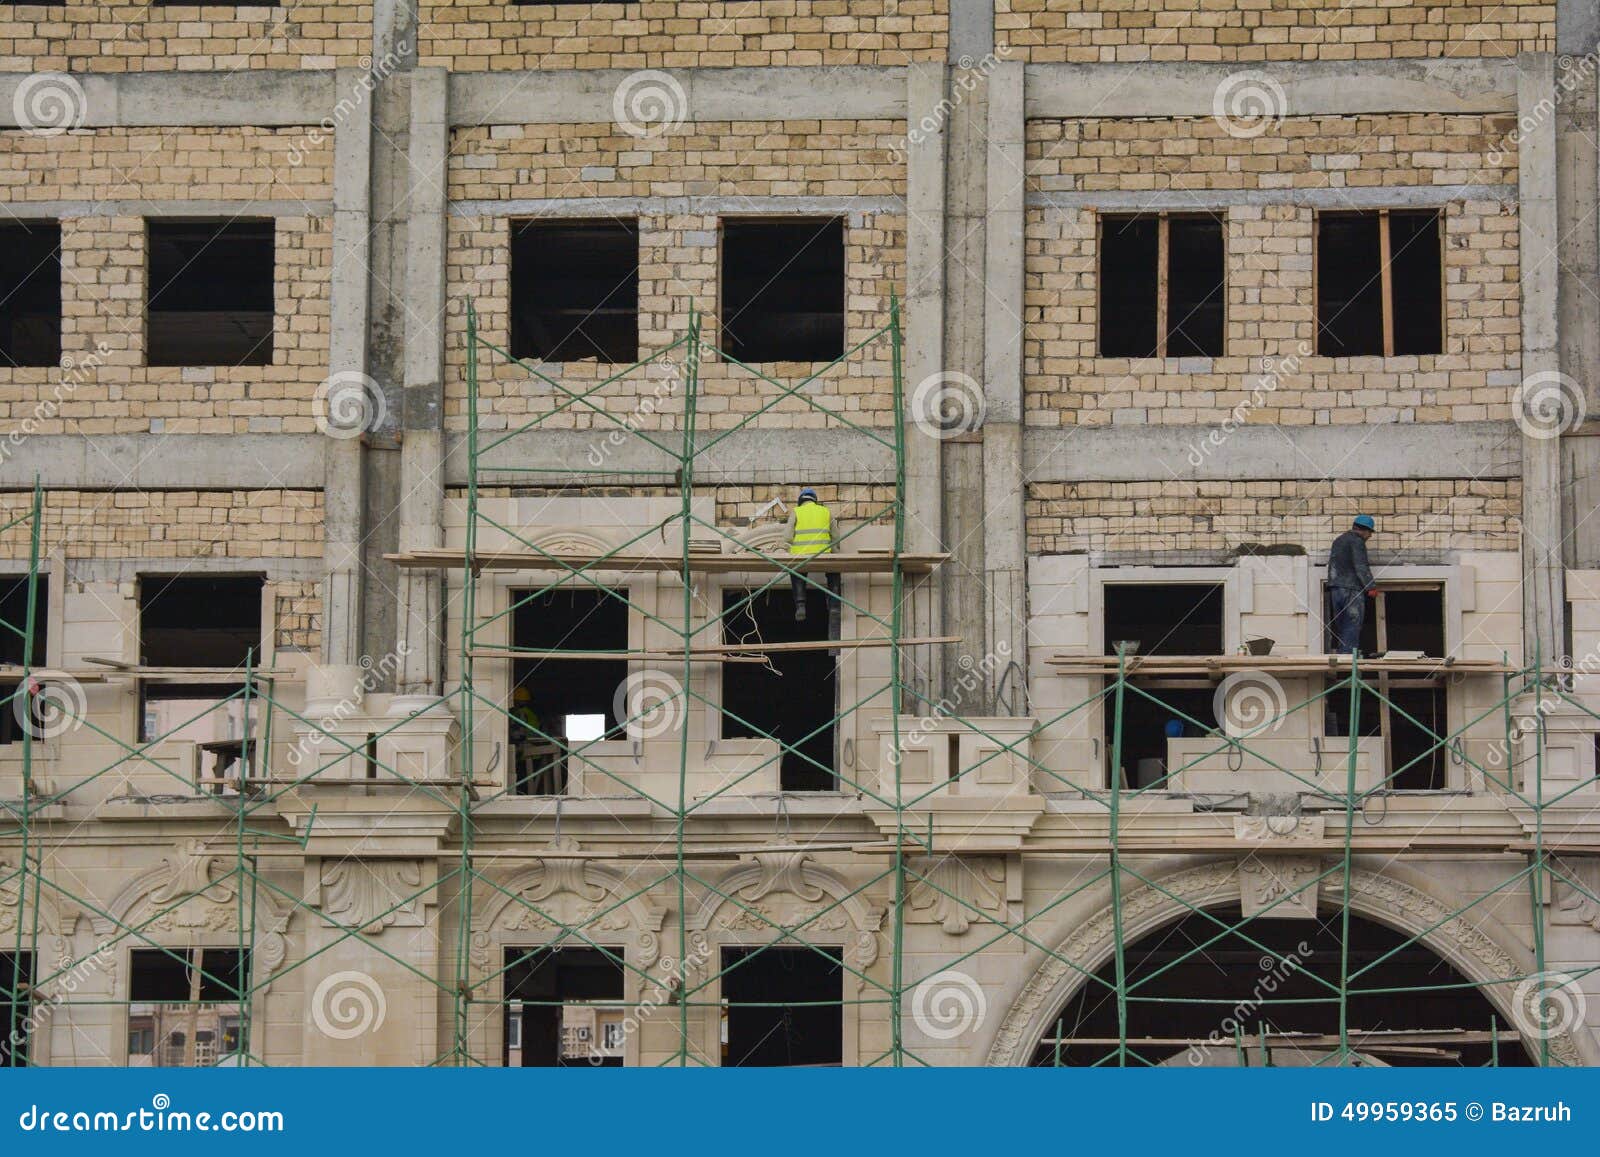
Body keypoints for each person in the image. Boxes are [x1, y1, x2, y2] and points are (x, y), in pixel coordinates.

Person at [786, 486, 840, 628]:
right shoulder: (826, 512)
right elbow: (836, 537)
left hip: (801, 554)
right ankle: (834, 605)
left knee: (796, 572)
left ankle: (800, 605)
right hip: (823, 554)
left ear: (801, 501)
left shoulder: (796, 511)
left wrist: (793, 546)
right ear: (815, 500)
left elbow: (787, 537)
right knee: (834, 571)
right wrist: (835, 552)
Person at [1327, 515, 1377, 655]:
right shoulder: (1357, 541)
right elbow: (1361, 566)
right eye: (1370, 532)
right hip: (1351, 589)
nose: (1370, 536)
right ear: (1364, 530)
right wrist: (1371, 586)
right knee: (1352, 626)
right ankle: (1348, 661)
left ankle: (1343, 658)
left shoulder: (1338, 540)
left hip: (1335, 589)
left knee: (1342, 626)